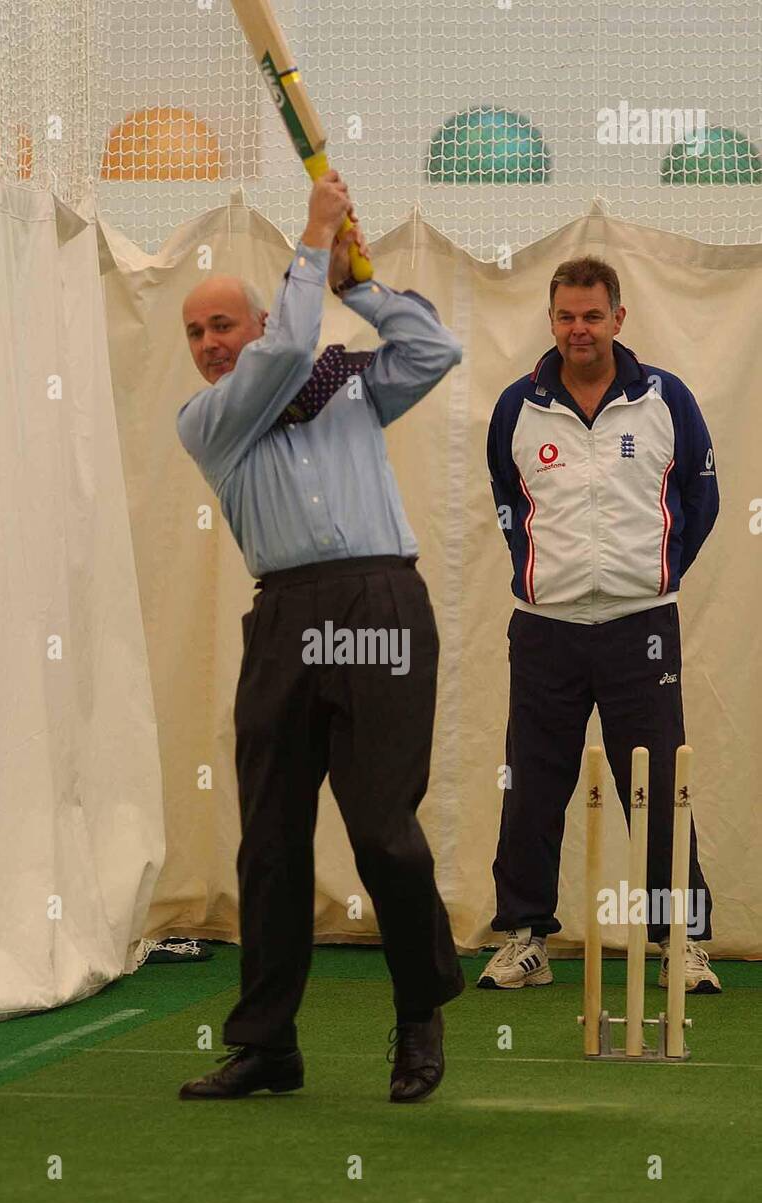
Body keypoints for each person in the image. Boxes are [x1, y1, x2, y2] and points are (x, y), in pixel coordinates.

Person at [176, 171, 465, 1102]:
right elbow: (286, 350)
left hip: (380, 604)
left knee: (383, 829)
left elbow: (435, 345)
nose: (211, 344)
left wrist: (358, 287)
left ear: (255, 324)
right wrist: (314, 232)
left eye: (225, 325)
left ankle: (420, 1016)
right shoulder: (211, 420)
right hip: (285, 617)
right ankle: (268, 1048)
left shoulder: (346, 389)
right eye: (195, 332)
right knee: (270, 839)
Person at [480, 256, 721, 995]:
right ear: (551, 320)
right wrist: (540, 572)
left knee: (653, 784)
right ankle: (526, 938)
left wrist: (653, 573)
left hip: (639, 626)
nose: (578, 329)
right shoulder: (517, 406)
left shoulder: (666, 400)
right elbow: (508, 503)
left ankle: (678, 939)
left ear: (618, 318)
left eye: (591, 315)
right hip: (543, 628)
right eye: (565, 316)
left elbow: (701, 504)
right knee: (532, 785)